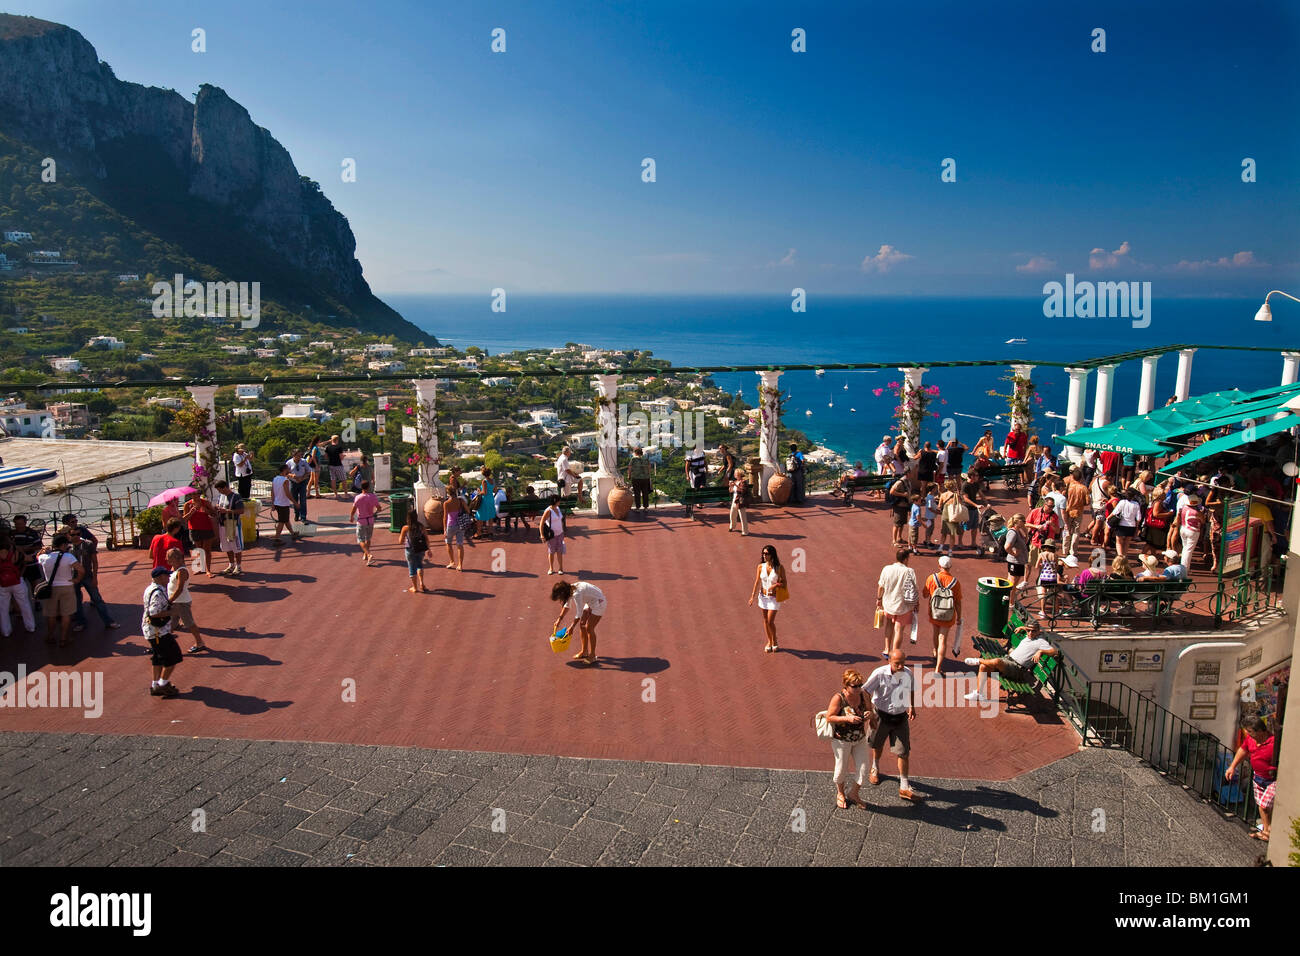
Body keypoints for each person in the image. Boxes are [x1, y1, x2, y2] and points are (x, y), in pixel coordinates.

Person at [863, 650, 919, 801]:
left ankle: (904, 786)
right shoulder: (880, 673)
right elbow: (865, 691)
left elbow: (912, 689)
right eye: (897, 663)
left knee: (904, 751)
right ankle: (875, 767)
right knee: (877, 744)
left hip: (900, 717)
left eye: (903, 663)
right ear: (889, 661)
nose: (900, 666)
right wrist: (870, 712)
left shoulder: (907, 673)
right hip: (881, 715)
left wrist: (912, 707)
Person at [965, 620, 1058, 703]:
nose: (1030, 633)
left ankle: (978, 660)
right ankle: (978, 693)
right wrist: (1022, 628)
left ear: (1038, 631)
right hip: (1008, 661)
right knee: (983, 667)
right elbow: (1029, 629)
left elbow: (1054, 651)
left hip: (1017, 669)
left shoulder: (1041, 641)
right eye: (1028, 630)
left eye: (1033, 631)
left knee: (997, 661)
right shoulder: (1029, 635)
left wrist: (1041, 651)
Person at [826, 669, 875, 809]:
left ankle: (854, 793)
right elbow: (830, 716)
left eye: (860, 685)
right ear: (846, 685)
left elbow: (871, 710)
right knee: (841, 767)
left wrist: (868, 714)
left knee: (864, 768)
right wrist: (847, 718)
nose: (858, 688)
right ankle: (840, 793)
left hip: (859, 738)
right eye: (855, 686)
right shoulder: (839, 698)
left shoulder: (863, 695)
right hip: (841, 740)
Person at [1225, 716, 1277, 842]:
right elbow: (1243, 750)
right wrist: (1232, 766)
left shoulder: (1274, 743)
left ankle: (1266, 832)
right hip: (1258, 778)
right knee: (1264, 807)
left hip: (1273, 780)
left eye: (1250, 731)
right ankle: (1267, 831)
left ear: (1260, 731)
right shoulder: (1250, 739)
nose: (1248, 734)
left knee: (1263, 806)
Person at [66, 520, 118, 632]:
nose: (76, 537)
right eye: (73, 535)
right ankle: (81, 623)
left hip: (88, 576)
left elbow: (94, 562)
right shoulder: (67, 548)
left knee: (97, 599)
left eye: (78, 534)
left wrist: (95, 577)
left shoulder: (88, 544)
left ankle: (109, 621)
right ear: (69, 535)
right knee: (77, 601)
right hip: (74, 577)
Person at [142, 565, 182, 698]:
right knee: (173, 656)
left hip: (152, 631)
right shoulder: (158, 592)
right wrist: (171, 612)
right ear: (159, 577)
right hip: (158, 632)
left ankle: (155, 685)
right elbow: (153, 613)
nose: (169, 577)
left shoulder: (151, 588)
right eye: (166, 575)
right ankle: (162, 684)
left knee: (158, 658)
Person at [38, 534, 82, 648]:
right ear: (63, 545)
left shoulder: (45, 558)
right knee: (66, 614)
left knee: (51, 614)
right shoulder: (68, 557)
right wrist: (76, 579)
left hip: (50, 587)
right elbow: (81, 569)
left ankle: (50, 636)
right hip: (66, 586)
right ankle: (63, 638)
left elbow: (38, 556)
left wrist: (43, 551)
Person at [922, 555, 963, 675]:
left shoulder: (931, 578)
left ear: (939, 565)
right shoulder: (955, 582)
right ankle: (938, 668)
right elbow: (958, 602)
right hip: (948, 614)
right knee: (943, 639)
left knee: (935, 634)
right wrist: (959, 617)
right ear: (950, 567)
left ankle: (935, 652)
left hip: (934, 612)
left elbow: (925, 594)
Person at [551, 579, 606, 665]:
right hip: (591, 600)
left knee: (589, 628)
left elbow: (579, 613)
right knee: (582, 625)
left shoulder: (577, 594)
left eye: (559, 597)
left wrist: (572, 627)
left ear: (563, 594)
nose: (560, 600)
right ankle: (584, 651)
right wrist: (559, 619)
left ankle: (592, 655)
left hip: (599, 602)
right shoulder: (570, 589)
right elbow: (567, 606)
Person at [876, 549, 919, 658]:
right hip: (904, 605)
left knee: (889, 625)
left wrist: (879, 599)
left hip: (889, 602)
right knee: (899, 629)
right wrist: (916, 603)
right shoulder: (909, 571)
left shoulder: (887, 569)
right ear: (906, 559)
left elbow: (881, 586)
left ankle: (886, 649)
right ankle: (895, 653)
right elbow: (915, 588)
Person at [165, 547, 207, 653]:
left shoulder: (182, 571)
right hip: (176, 602)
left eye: (169, 558)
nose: (167, 560)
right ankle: (163, 643)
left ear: (178, 559)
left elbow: (180, 589)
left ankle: (199, 642)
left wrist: (170, 600)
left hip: (181, 602)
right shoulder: (174, 569)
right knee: (170, 623)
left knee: (189, 623)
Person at [747, 545, 787, 653]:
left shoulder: (779, 568)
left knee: (770, 621)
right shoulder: (760, 567)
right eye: (763, 553)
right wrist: (752, 596)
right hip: (763, 597)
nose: (764, 555)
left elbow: (784, 583)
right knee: (765, 620)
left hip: (774, 598)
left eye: (766, 554)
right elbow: (757, 582)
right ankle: (769, 641)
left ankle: (775, 640)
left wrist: (775, 585)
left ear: (772, 555)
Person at [0, 531, 36, 637]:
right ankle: (30, 626)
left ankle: (6, 631)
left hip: (2, 584)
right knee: (25, 605)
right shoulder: (16, 552)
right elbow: (28, 559)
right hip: (17, 581)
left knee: (3, 608)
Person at [213, 479, 245, 576]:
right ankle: (231, 565)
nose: (220, 492)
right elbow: (219, 505)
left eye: (220, 490)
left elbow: (241, 511)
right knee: (227, 546)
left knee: (236, 545)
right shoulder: (221, 496)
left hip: (233, 524)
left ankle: (238, 566)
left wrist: (227, 511)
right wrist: (217, 507)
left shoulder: (236, 497)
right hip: (223, 524)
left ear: (225, 487)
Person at [183, 493, 218, 577]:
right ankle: (200, 568)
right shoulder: (187, 505)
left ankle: (208, 570)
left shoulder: (205, 503)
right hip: (194, 529)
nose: (196, 496)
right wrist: (191, 513)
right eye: (194, 495)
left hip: (206, 528)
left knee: (207, 550)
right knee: (198, 550)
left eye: (197, 494)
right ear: (191, 495)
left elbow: (214, 513)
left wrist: (207, 511)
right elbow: (184, 519)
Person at [1025, 498, 1062, 576]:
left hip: (1047, 545)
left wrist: (1052, 524)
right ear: (1044, 504)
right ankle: (1025, 581)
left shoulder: (1054, 516)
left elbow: (1058, 531)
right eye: (1050, 506)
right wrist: (1036, 526)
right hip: (1035, 542)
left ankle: (1039, 580)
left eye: (1053, 506)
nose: (1051, 508)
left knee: (1043, 565)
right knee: (1029, 563)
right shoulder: (1035, 511)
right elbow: (1026, 524)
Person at [398, 508, 429, 593]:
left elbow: (400, 541)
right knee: (420, 565)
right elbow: (426, 538)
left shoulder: (405, 528)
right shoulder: (421, 526)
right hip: (420, 549)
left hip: (409, 550)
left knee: (412, 568)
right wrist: (429, 549)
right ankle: (422, 583)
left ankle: (415, 587)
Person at [350, 480, 381, 565]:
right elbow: (379, 508)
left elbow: (354, 509)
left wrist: (351, 516)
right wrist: (374, 513)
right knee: (368, 538)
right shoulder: (373, 496)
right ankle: (366, 554)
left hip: (361, 520)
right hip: (370, 520)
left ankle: (369, 554)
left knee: (360, 539)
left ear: (361, 487)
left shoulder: (358, 497)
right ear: (368, 487)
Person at [1174, 494, 1204, 570]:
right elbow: (1203, 521)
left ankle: (1183, 566)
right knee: (1189, 550)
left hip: (1183, 528)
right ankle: (1184, 568)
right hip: (1192, 531)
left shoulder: (1184, 508)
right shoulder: (1197, 512)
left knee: (1185, 548)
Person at [1110, 489, 1143, 558]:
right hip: (1131, 526)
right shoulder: (1136, 504)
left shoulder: (1122, 502)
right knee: (1127, 543)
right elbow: (1138, 518)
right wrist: (1137, 528)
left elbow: (1115, 512)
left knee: (1119, 542)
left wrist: (1108, 518)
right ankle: (1124, 556)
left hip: (1121, 525)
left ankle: (1120, 556)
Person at [541, 495, 566, 575]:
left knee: (559, 551)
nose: (560, 502)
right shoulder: (548, 511)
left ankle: (560, 568)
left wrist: (562, 530)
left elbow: (560, 520)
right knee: (551, 552)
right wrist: (542, 535)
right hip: (552, 535)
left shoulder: (558, 509)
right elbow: (541, 523)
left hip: (560, 533)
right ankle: (551, 568)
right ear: (555, 501)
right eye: (559, 500)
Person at [270, 463, 295, 545]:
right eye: (288, 469)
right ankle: (277, 538)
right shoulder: (285, 480)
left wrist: (273, 503)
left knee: (285, 519)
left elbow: (272, 492)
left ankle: (292, 533)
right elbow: (288, 493)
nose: (289, 470)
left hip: (277, 503)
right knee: (282, 521)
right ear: (284, 470)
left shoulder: (275, 479)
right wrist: (295, 503)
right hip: (283, 504)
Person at [938, 479, 964, 555]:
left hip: (945, 514)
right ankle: (950, 551)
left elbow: (939, 506)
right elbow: (960, 505)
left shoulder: (943, 495)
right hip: (953, 515)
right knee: (952, 534)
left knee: (944, 533)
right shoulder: (956, 495)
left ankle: (940, 547)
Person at [1003, 514, 1029, 589]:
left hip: (1019, 561)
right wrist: (1013, 553)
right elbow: (1007, 546)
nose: (1025, 523)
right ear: (1018, 521)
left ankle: (1010, 599)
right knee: (1012, 584)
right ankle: (1010, 600)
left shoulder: (1018, 531)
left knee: (1012, 582)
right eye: (1023, 521)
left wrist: (1026, 531)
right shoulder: (1013, 532)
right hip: (1015, 561)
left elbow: (1025, 542)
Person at [286, 449, 311, 524]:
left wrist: (302, 478)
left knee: (303, 499)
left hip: (302, 482)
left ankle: (303, 517)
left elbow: (308, 471)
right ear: (294, 456)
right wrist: (292, 476)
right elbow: (286, 473)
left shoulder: (303, 461)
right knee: (294, 499)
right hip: (293, 482)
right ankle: (296, 514)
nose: (300, 457)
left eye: (300, 455)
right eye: (298, 455)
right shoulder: (289, 463)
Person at [444, 489, 467, 571]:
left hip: (450, 525)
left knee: (448, 543)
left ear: (448, 493)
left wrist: (444, 529)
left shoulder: (446, 503)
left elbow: (445, 517)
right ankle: (460, 564)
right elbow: (467, 510)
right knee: (460, 544)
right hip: (460, 524)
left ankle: (452, 561)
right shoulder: (461, 501)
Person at [473, 467, 498, 539]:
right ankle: (490, 532)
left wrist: (478, 491)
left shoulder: (484, 481)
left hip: (485, 500)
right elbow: (495, 490)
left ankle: (479, 533)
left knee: (480, 516)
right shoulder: (493, 480)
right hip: (491, 499)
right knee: (490, 516)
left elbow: (484, 492)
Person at [627, 446, 653, 513]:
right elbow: (649, 467)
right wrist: (648, 475)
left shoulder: (633, 459)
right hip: (645, 478)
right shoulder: (646, 459)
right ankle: (646, 507)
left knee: (637, 493)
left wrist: (629, 476)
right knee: (645, 493)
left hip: (636, 478)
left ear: (635, 452)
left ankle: (638, 508)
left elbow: (630, 468)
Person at [728, 468, 750, 535]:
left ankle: (745, 531)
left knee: (742, 517)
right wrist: (730, 486)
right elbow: (731, 491)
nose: (735, 475)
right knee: (732, 514)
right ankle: (732, 526)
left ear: (739, 475)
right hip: (735, 501)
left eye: (736, 474)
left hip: (740, 501)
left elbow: (743, 491)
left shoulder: (743, 482)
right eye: (734, 474)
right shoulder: (735, 482)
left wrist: (735, 485)